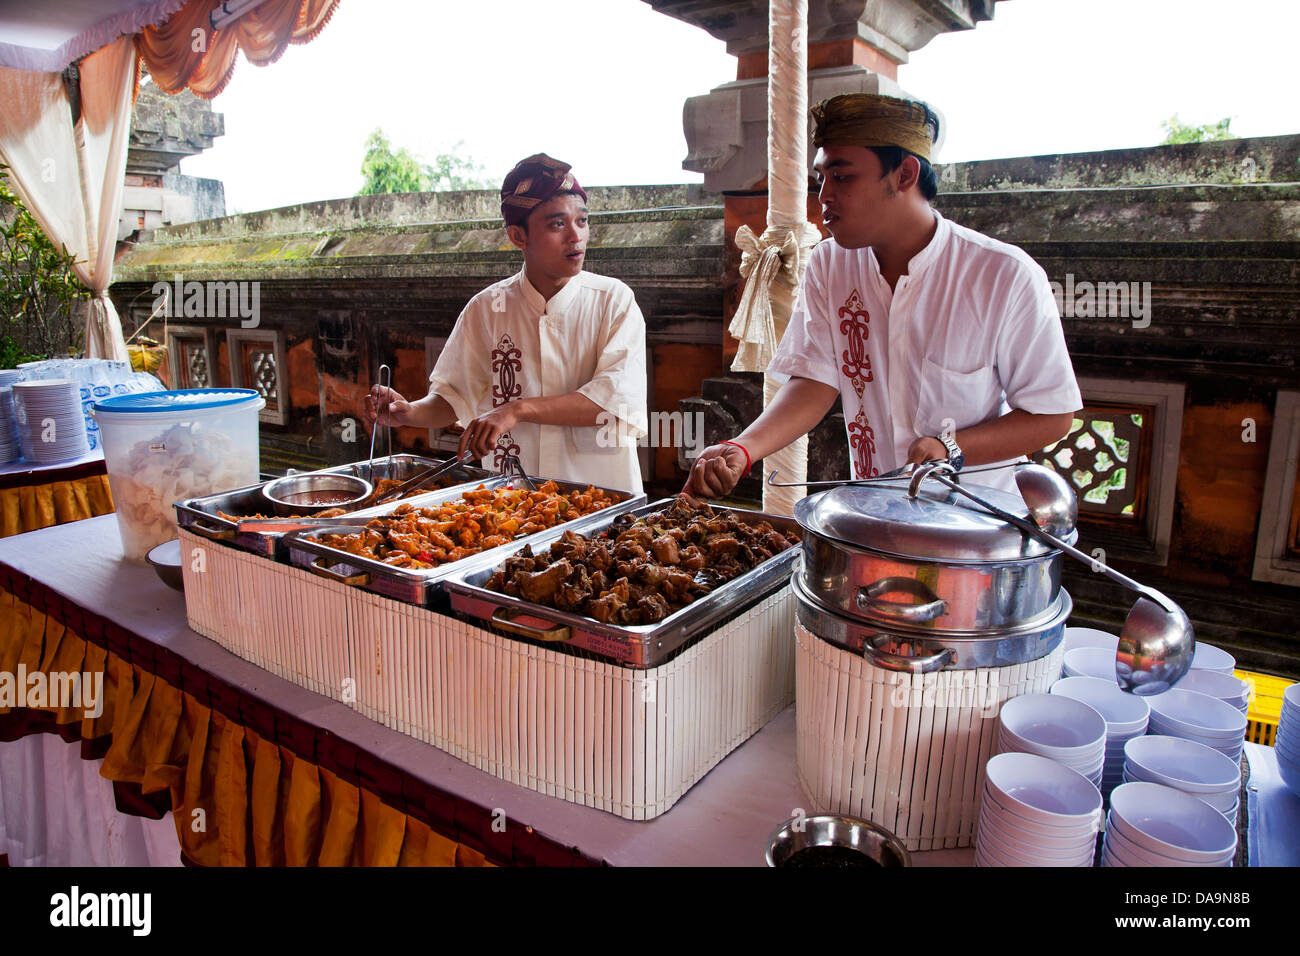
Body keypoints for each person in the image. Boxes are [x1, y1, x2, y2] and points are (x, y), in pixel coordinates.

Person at [685, 93, 1081, 500]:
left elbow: (1051, 414)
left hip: (977, 522)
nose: (824, 197)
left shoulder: (1003, 275)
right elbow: (814, 380)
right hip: (878, 515)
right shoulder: (829, 265)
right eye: (822, 180)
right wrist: (742, 448)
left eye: (843, 177)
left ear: (905, 174)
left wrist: (951, 447)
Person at [366, 153, 648, 494]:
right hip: (514, 502)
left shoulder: (613, 301)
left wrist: (517, 410)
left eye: (582, 221)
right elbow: (452, 398)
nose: (576, 236)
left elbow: (614, 400)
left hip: (599, 497)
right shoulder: (486, 309)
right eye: (557, 224)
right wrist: (407, 412)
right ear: (518, 236)